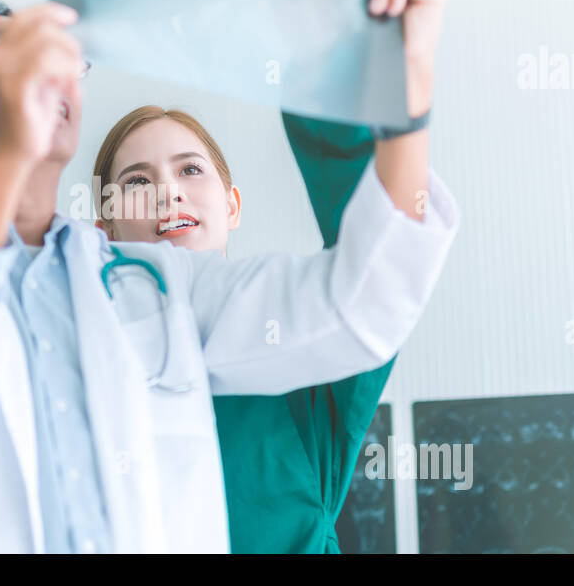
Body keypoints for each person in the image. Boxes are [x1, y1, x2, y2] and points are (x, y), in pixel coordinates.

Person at [0, 0, 457, 553]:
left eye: (57, 61)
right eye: (7, 53)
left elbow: (364, 304)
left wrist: (408, 88)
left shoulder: (156, 283)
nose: (51, 75)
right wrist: (7, 168)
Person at [92, 105, 392, 552]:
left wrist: (320, 77)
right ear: (106, 234)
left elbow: (375, 251)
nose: (166, 193)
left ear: (231, 205)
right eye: (137, 181)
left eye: (190, 169)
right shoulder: (86, 372)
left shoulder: (305, 336)